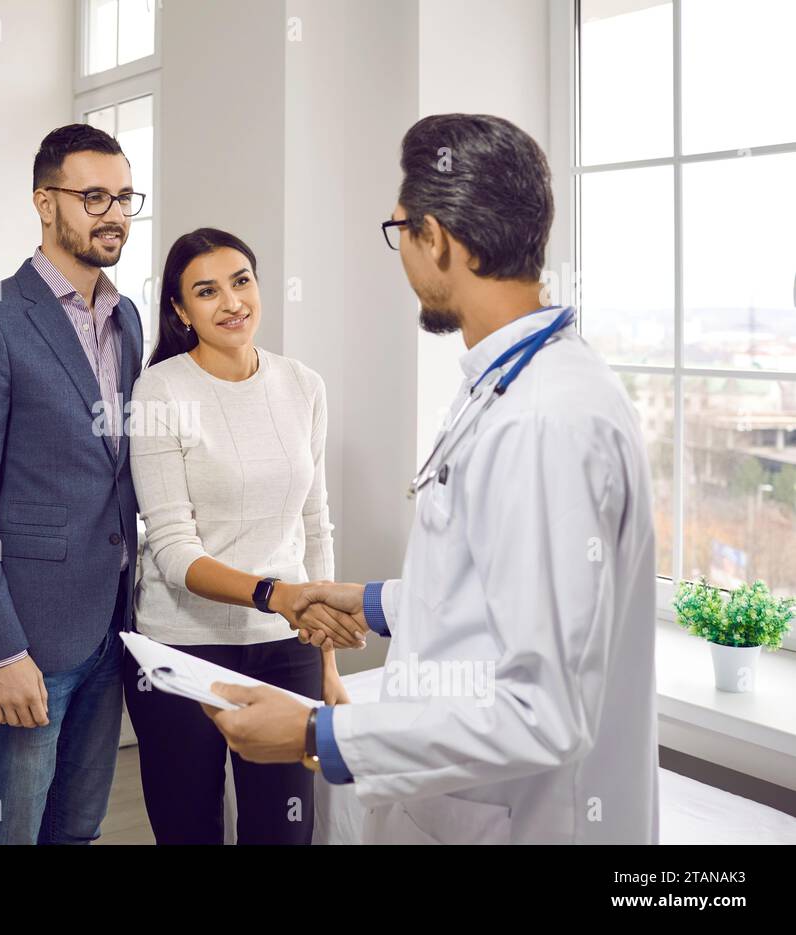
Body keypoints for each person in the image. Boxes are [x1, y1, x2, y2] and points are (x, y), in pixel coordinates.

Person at [204, 113, 659, 845]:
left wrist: (320, 735)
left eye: (400, 232)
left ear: (437, 238)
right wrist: (373, 601)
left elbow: (543, 709)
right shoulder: (511, 383)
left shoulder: (544, 419)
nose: (403, 257)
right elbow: (507, 594)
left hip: (524, 819)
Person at [0, 124, 145, 844]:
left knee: (77, 830)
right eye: (92, 196)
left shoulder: (129, 319)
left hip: (109, 628)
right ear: (44, 203)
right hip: (24, 638)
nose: (112, 213)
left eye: (123, 196)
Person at [125, 227, 356, 845]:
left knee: (284, 831)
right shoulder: (161, 391)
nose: (231, 302)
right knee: (188, 828)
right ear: (180, 310)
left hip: (288, 647)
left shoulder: (304, 386)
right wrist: (274, 594)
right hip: (183, 648)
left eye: (241, 281)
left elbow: (315, 524)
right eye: (207, 291)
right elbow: (173, 551)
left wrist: (326, 657)